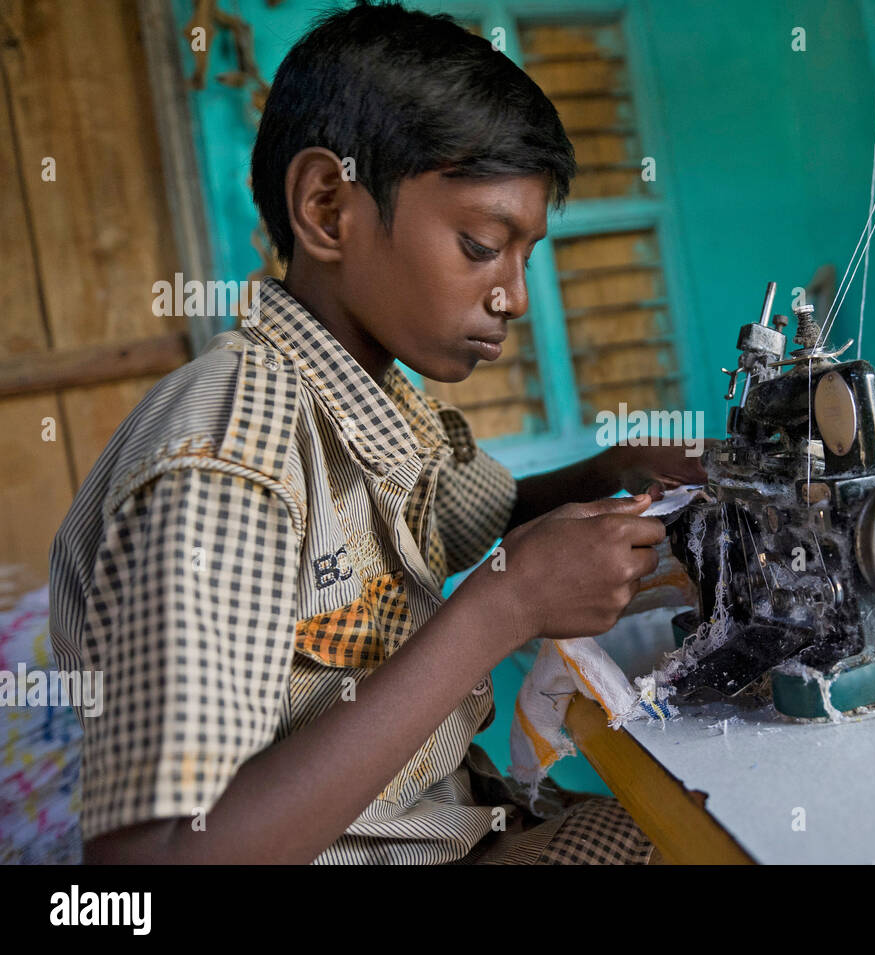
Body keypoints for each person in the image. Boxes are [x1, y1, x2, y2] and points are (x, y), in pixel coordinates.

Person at [49, 0, 705, 864]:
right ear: (328, 207)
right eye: (479, 245)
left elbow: (491, 512)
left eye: (524, 256)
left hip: (450, 821)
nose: (513, 295)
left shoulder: (377, 396)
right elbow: (148, 866)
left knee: (715, 817)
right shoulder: (226, 465)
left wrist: (614, 469)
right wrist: (502, 609)